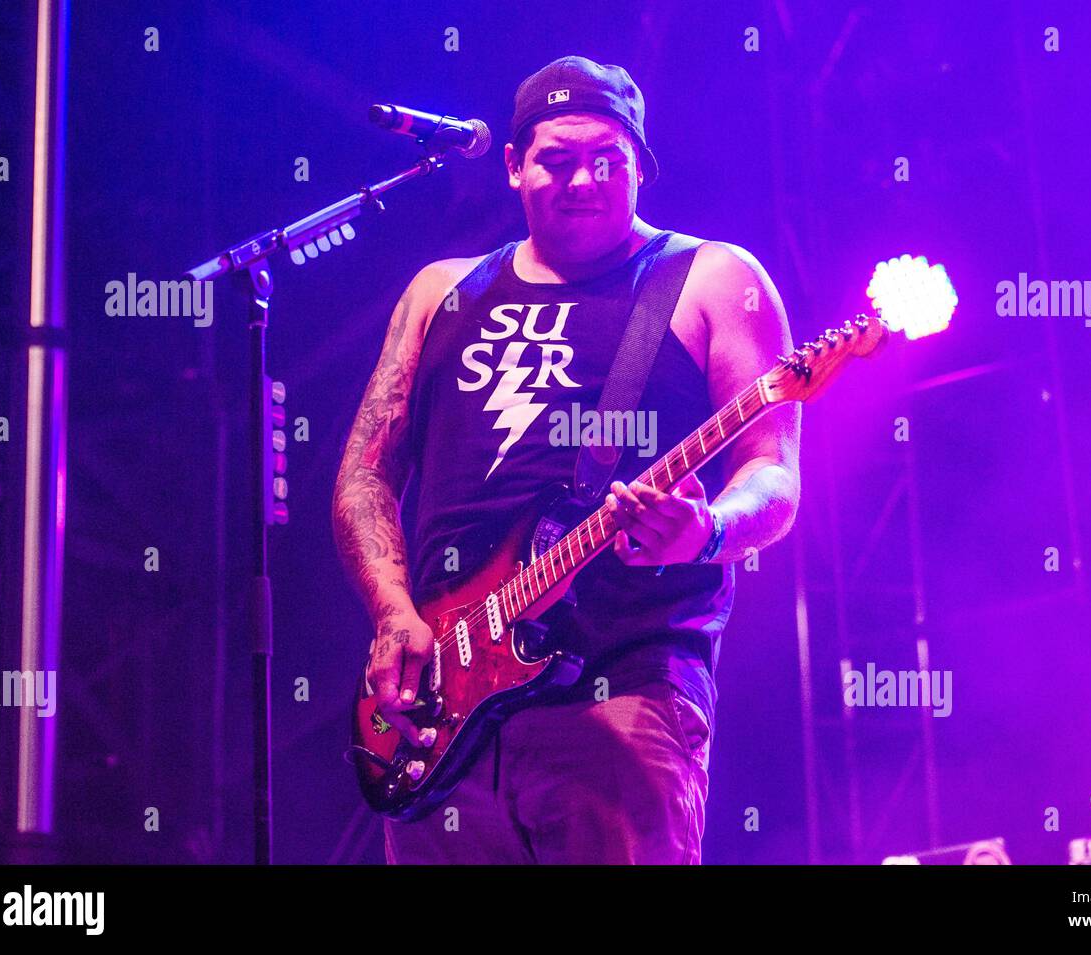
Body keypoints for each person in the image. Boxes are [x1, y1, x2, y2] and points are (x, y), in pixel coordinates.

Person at [332, 55, 800, 864]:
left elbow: (773, 473)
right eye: (555, 158)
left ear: (642, 169)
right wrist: (393, 614)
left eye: (607, 160)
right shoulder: (441, 291)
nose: (582, 179)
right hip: (443, 710)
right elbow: (366, 473)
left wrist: (710, 529)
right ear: (512, 165)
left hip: (623, 691)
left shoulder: (712, 280)